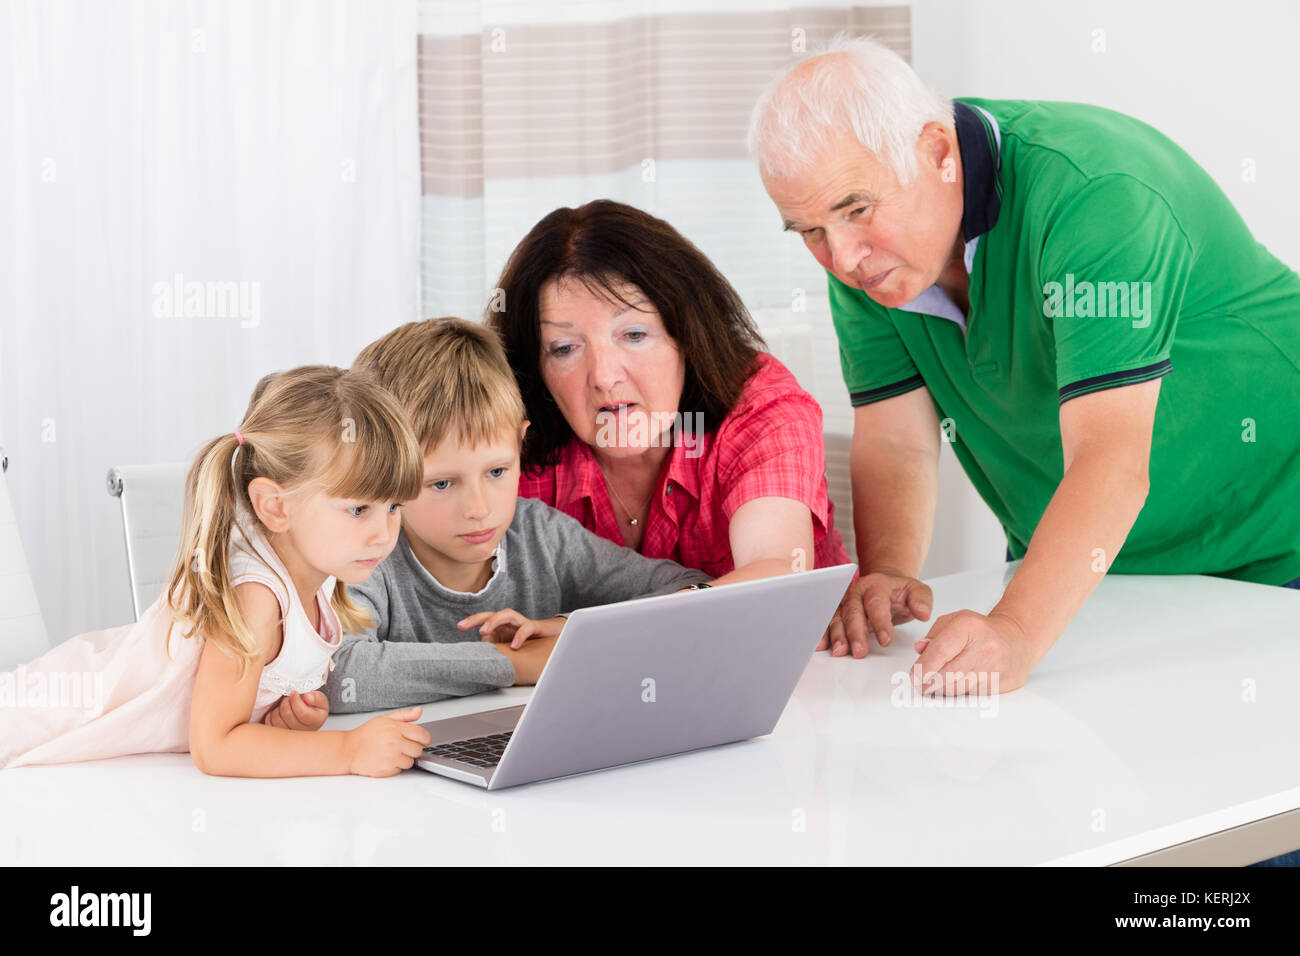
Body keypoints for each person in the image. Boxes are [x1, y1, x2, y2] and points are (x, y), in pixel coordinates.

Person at [746, 35, 1300, 694]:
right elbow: (896, 438)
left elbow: (1111, 462)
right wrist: (889, 570)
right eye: (808, 231)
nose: (839, 257)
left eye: (855, 211)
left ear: (940, 153)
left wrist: (1013, 631)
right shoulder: (869, 261)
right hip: (1094, 576)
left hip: (1275, 545)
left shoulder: (1098, 198)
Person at [1, 366, 436, 777]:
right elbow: (215, 746)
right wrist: (348, 750)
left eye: (394, 507)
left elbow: (229, 718)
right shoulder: (257, 595)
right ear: (275, 506)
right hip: (50, 713)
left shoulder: (315, 572)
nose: (384, 533)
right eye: (359, 509)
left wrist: (278, 720)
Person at [321, 317, 711, 714]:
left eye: (496, 472)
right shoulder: (366, 555)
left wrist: (566, 628)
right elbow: (335, 673)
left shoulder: (541, 535)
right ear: (382, 471)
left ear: (520, 444)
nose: (480, 509)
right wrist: (514, 664)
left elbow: (691, 588)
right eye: (441, 484)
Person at [487, 199, 850, 590]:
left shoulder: (760, 407)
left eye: (635, 335)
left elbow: (777, 578)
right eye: (564, 348)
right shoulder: (512, 442)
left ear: (688, 335)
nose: (605, 377)